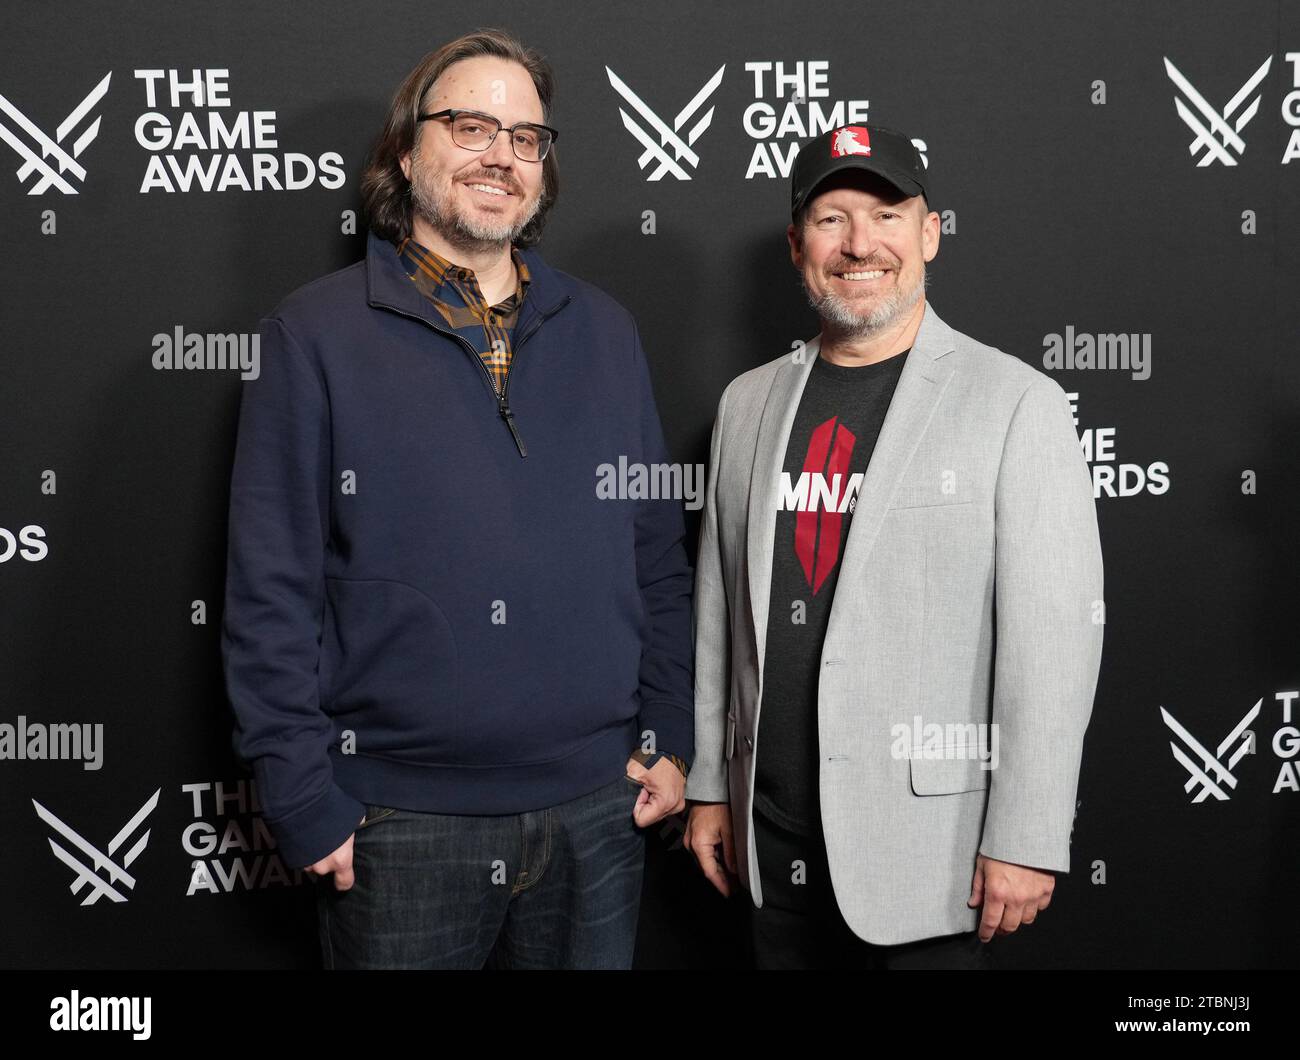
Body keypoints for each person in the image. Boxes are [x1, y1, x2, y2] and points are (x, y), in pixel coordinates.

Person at [220, 28, 693, 970]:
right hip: (400, 825)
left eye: (525, 139)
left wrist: (671, 734)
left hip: (601, 808)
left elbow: (654, 557)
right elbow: (269, 588)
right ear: (406, 150)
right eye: (471, 126)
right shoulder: (312, 335)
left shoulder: (603, 329)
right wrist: (302, 797)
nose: (501, 157)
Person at [683, 123, 1104, 969]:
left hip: (929, 858)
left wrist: (1026, 832)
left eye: (886, 214)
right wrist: (705, 784)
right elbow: (720, 610)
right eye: (832, 218)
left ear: (929, 233)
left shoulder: (1015, 401)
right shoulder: (746, 403)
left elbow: (1055, 637)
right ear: (799, 245)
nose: (860, 243)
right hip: (771, 846)